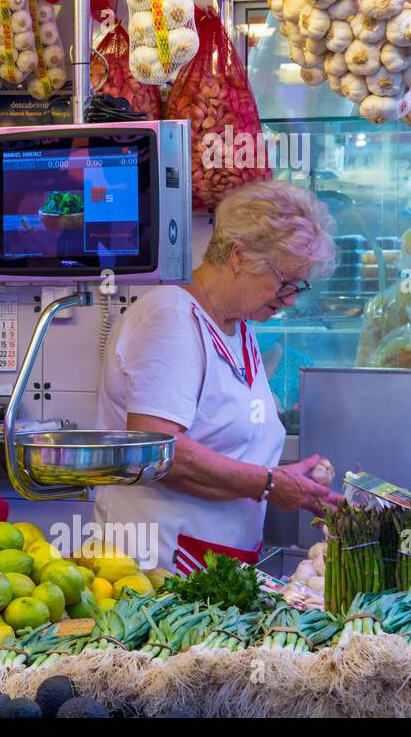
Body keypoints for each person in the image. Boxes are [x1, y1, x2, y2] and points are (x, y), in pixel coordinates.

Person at [94, 180, 344, 574]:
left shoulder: (237, 326)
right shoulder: (170, 318)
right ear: (239, 256)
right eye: (286, 282)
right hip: (158, 567)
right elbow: (161, 451)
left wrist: (286, 478)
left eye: (300, 285)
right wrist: (269, 483)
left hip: (213, 562)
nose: (292, 298)